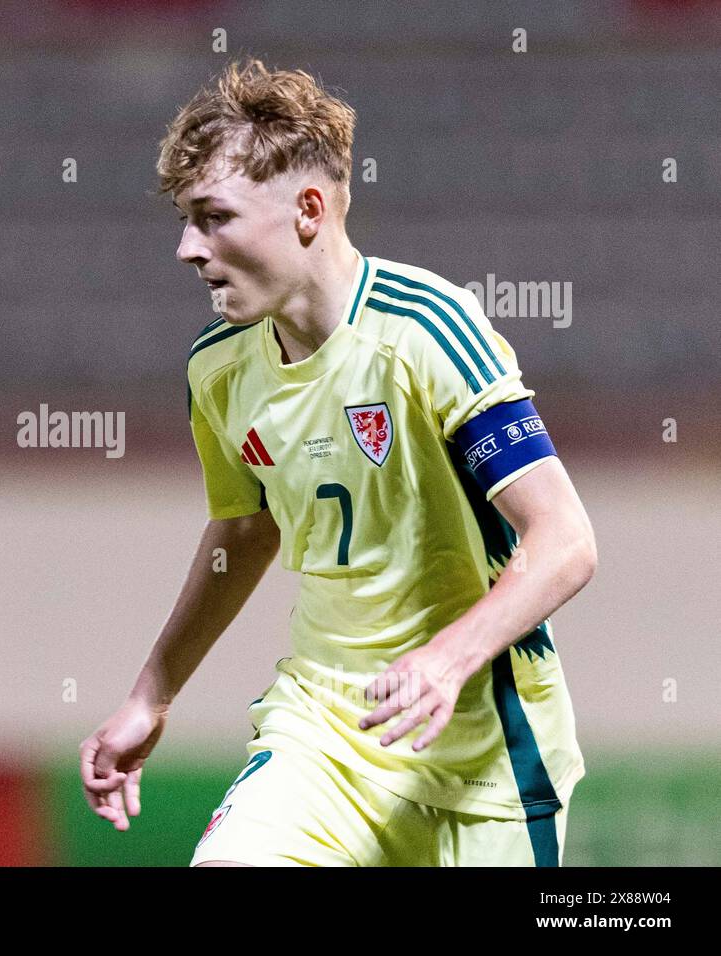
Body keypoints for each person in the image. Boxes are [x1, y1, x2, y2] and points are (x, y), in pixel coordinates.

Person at [78, 59, 596, 866]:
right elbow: (244, 532)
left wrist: (445, 659)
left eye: (213, 217)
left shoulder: (427, 331)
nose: (187, 248)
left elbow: (565, 541)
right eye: (185, 220)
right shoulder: (217, 369)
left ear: (308, 211)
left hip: (486, 764)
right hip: (322, 738)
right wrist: (152, 692)